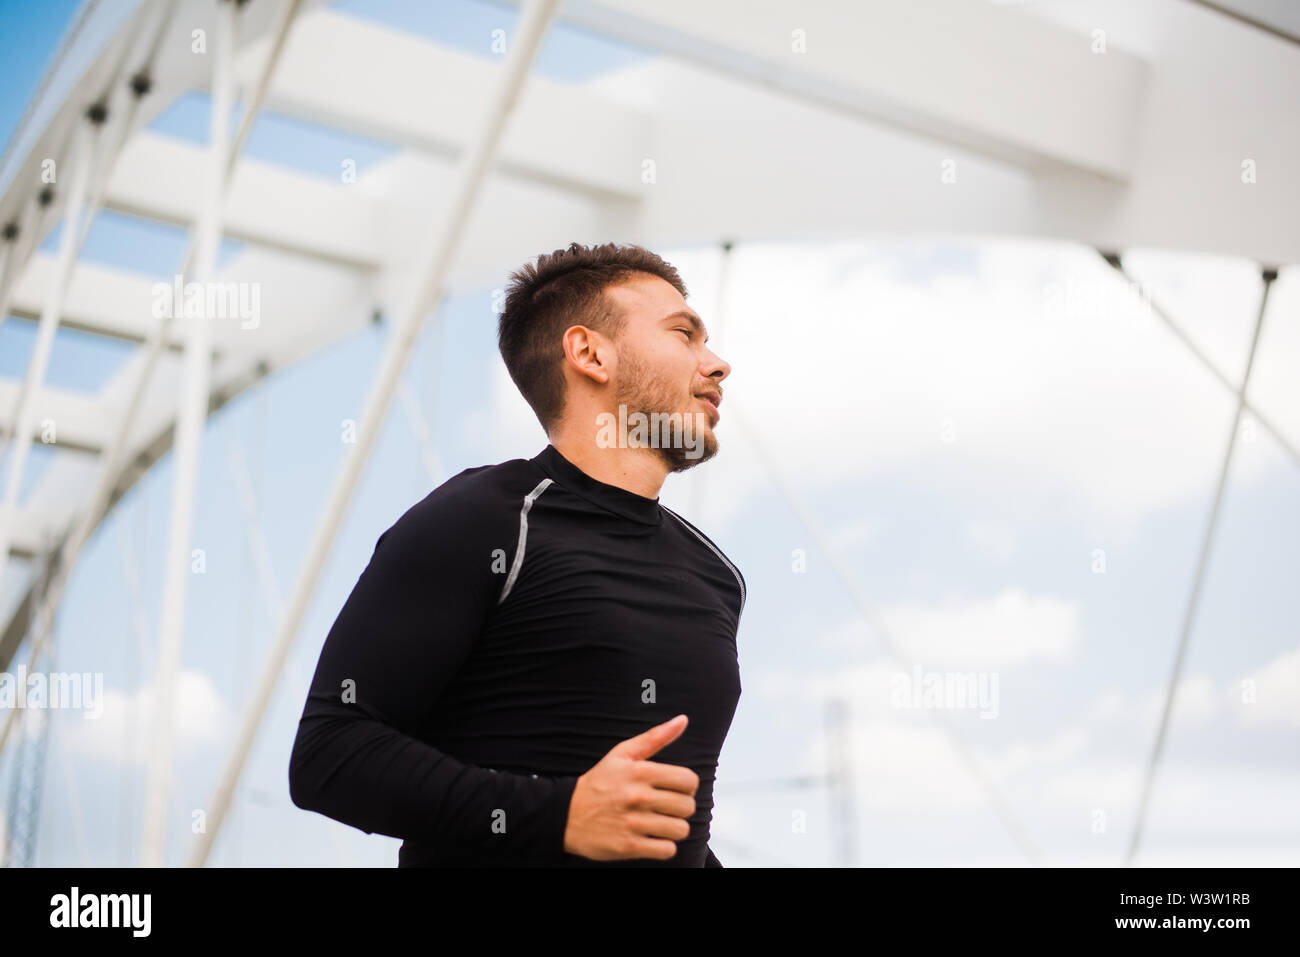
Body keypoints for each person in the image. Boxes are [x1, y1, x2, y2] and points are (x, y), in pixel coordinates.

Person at [288, 242, 744, 866]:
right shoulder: (485, 518)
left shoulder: (713, 574)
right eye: (684, 334)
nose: (717, 365)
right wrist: (560, 815)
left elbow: (671, 833)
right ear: (589, 353)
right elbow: (329, 754)